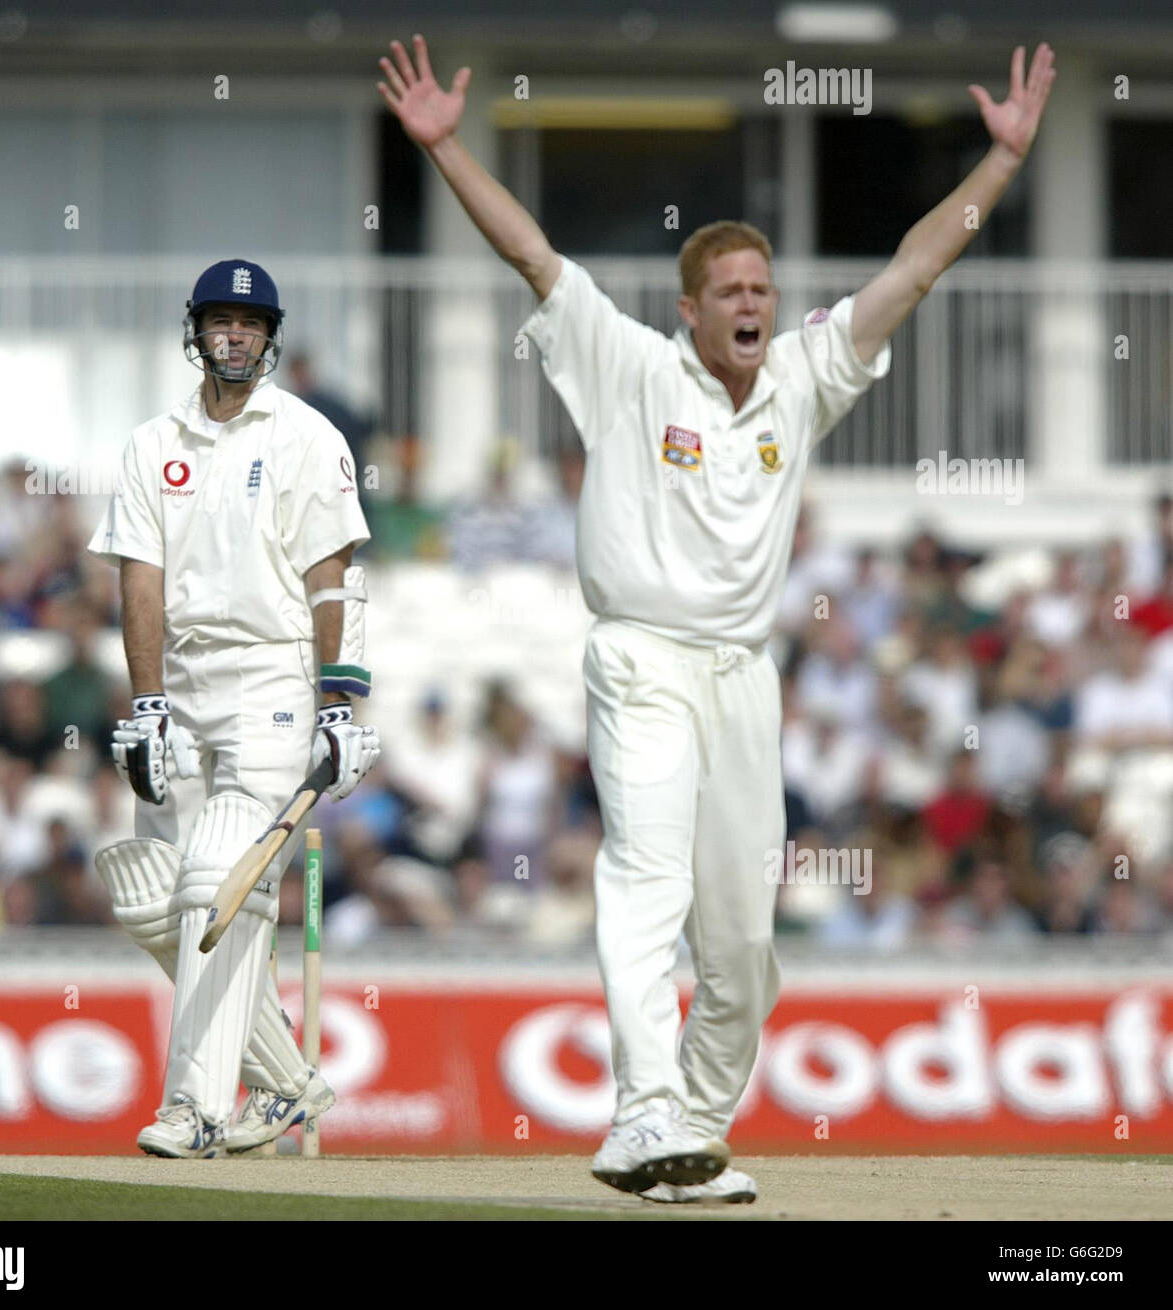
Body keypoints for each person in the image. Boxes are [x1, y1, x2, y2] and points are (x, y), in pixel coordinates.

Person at [379, 33, 1056, 1202]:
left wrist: (998, 166)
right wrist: (443, 149)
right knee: (646, 878)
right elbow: (534, 256)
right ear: (690, 309)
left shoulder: (801, 377)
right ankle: (640, 1111)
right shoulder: (630, 366)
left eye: (762, 290)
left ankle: (685, 1132)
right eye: (729, 292)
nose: (750, 304)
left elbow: (908, 273)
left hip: (744, 677)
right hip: (640, 657)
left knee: (744, 950)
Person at [87, 259, 379, 1157]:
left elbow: (333, 582)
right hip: (183, 677)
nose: (236, 336)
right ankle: (289, 1084)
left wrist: (341, 703)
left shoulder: (305, 435)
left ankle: (197, 1107)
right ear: (196, 332)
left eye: (251, 324)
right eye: (221, 321)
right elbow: (143, 579)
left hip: (273, 679)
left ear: (271, 337)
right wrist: (147, 703)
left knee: (218, 881)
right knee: (152, 899)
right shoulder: (151, 443)